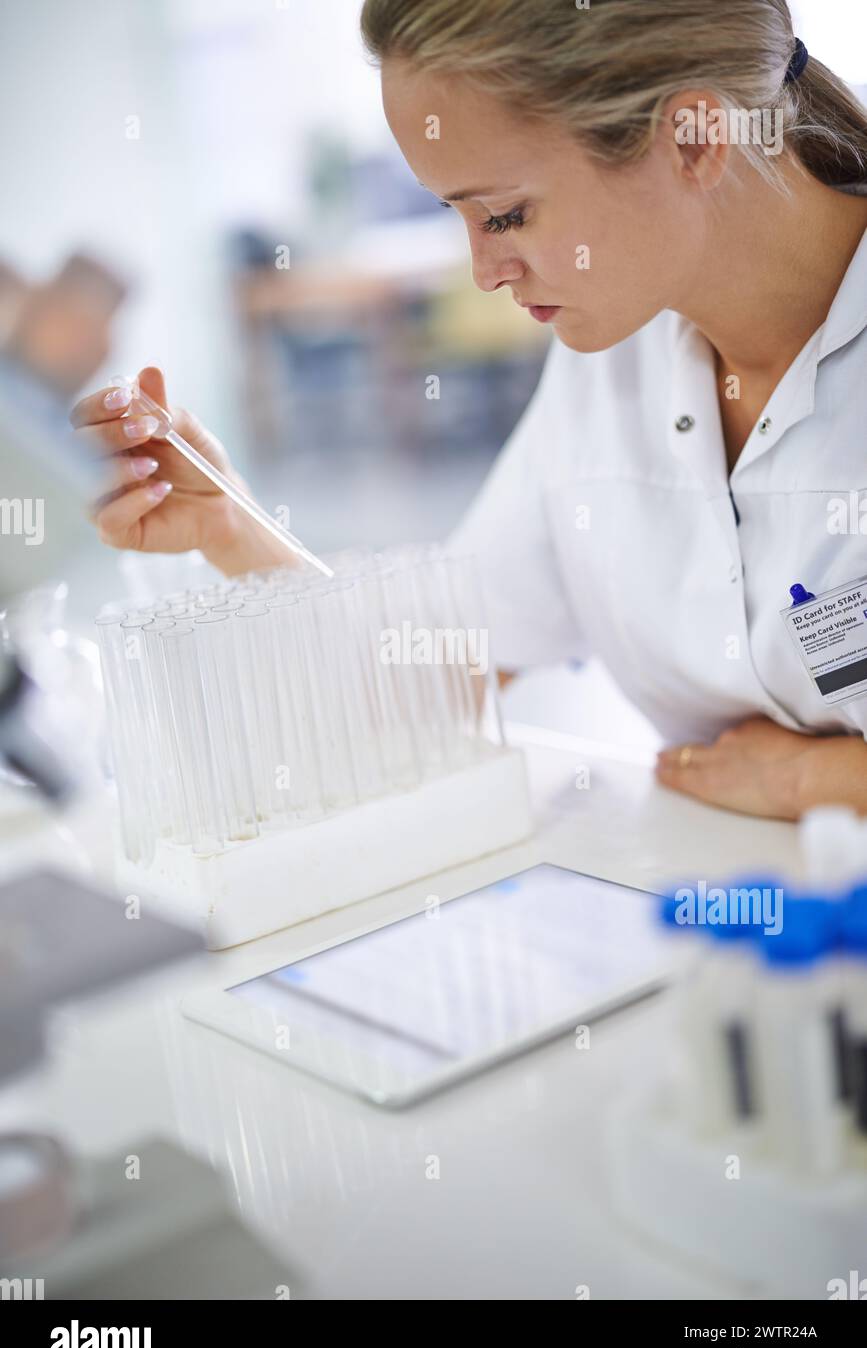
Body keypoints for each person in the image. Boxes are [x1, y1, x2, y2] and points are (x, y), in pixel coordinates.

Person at [71, 0, 867, 821]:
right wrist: (230, 524)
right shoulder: (613, 363)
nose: (483, 272)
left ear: (693, 140)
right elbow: (437, 667)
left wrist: (817, 783)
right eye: (454, 213)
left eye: (506, 215)